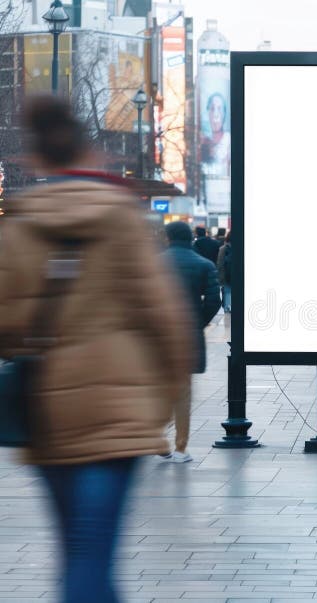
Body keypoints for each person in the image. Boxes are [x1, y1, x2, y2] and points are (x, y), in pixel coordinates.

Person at [0, 96, 192, 603]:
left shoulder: (17, 224)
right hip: (119, 411)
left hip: (49, 409)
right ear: (89, 151)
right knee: (93, 550)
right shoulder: (122, 219)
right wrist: (163, 400)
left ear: (34, 159)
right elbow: (165, 314)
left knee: (75, 551)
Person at [162, 221, 222, 462]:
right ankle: (180, 447)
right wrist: (199, 323)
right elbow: (213, 301)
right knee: (182, 393)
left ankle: (154, 438)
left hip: (157, 336)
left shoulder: (154, 263)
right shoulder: (203, 265)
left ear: (167, 237)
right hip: (187, 336)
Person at [217, 231, 232, 314]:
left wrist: (221, 279)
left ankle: (227, 310)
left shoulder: (223, 249)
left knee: (227, 293)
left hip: (227, 277)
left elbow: (220, 265)